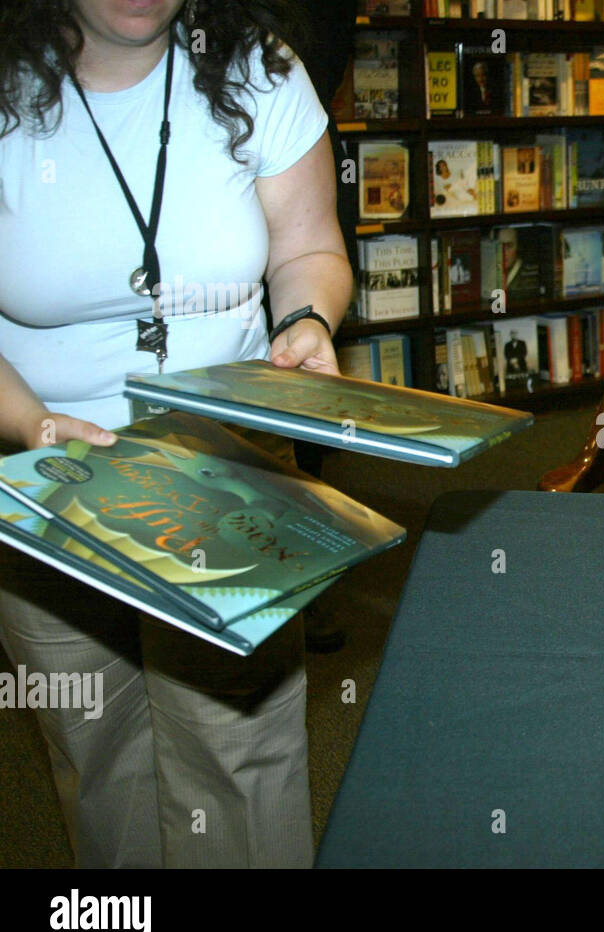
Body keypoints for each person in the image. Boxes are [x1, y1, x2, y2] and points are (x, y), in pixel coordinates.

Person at [0, 0, 352, 867]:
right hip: (46, 479)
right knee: (98, 752)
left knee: (244, 749)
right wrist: (31, 423)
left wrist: (309, 316)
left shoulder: (256, 68)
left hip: (226, 469)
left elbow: (308, 243)